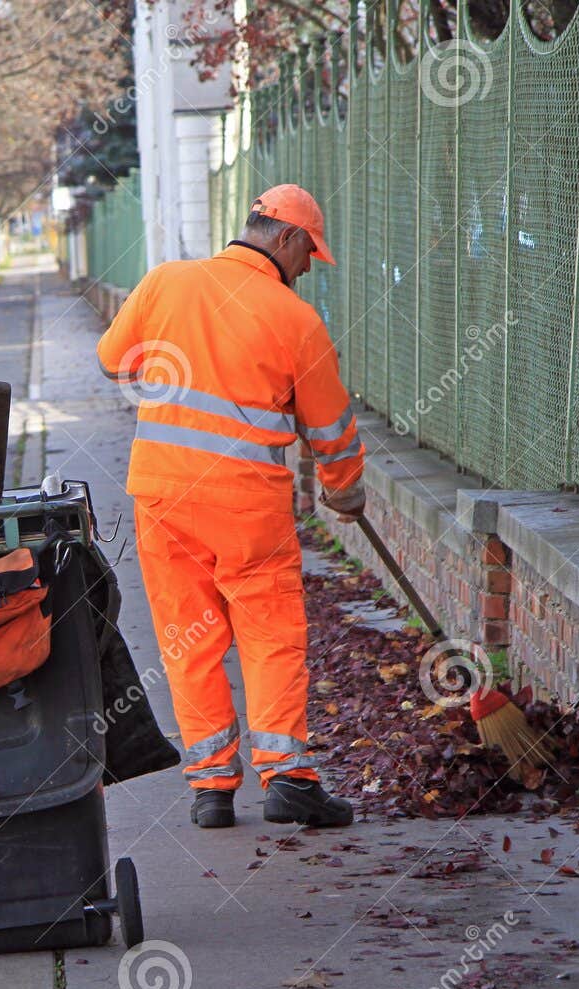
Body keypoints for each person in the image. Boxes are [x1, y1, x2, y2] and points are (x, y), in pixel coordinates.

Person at [96, 184, 366, 829]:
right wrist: (343, 486)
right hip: (246, 503)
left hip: (161, 494)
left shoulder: (166, 281)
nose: (307, 269)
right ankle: (288, 780)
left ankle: (212, 789)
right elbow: (328, 428)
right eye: (309, 254)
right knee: (270, 636)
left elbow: (113, 361)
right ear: (287, 238)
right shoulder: (295, 321)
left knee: (188, 639)